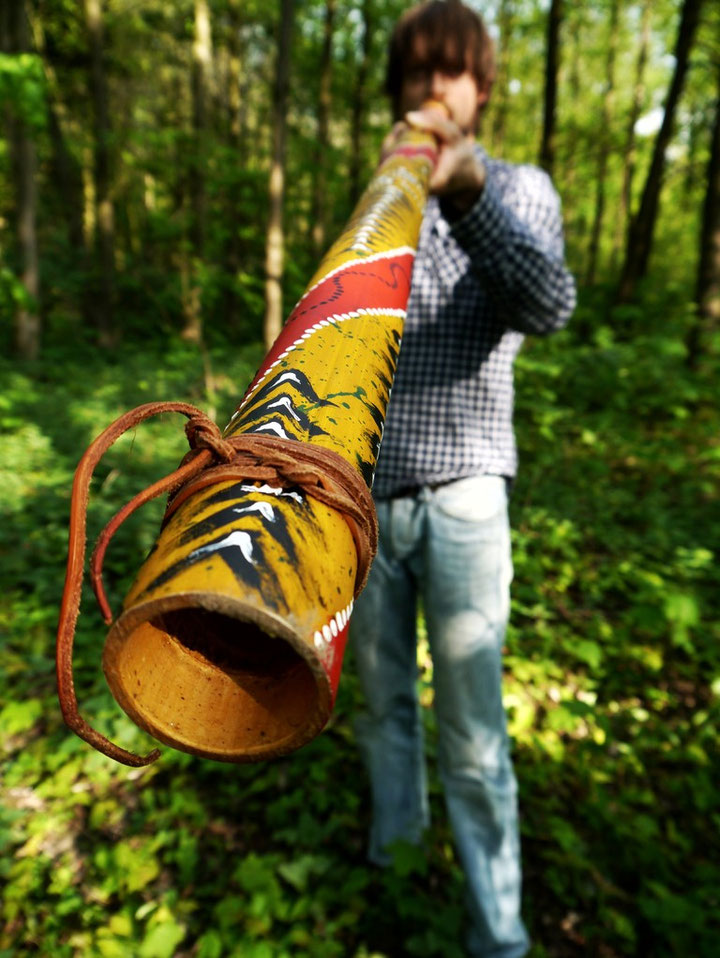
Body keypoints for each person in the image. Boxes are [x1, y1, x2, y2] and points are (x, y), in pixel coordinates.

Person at [350, 2, 577, 956]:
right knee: (382, 710)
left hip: (467, 498)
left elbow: (548, 303)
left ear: (480, 89)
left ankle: (498, 935)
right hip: (365, 501)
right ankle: (398, 877)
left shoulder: (519, 187)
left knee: (475, 736)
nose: (433, 90)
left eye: (451, 72)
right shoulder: (379, 201)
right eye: (417, 74)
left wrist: (470, 189)